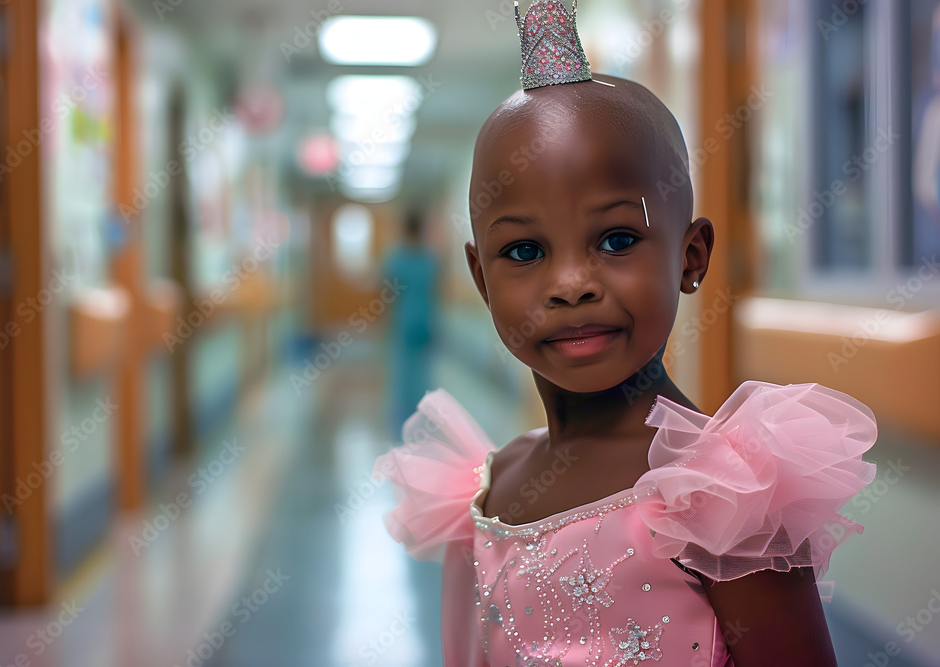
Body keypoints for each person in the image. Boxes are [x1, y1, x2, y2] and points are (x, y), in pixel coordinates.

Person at [374, 2, 877, 665]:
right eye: (525, 252)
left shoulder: (721, 495)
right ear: (480, 275)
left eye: (617, 239)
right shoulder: (487, 484)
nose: (571, 282)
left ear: (690, 256)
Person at [382, 211, 440, 438]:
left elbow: (387, 295)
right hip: (425, 317)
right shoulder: (430, 259)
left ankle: (403, 424)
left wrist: (384, 324)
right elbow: (435, 292)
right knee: (423, 370)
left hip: (404, 318)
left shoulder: (396, 259)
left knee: (403, 371)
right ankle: (422, 419)